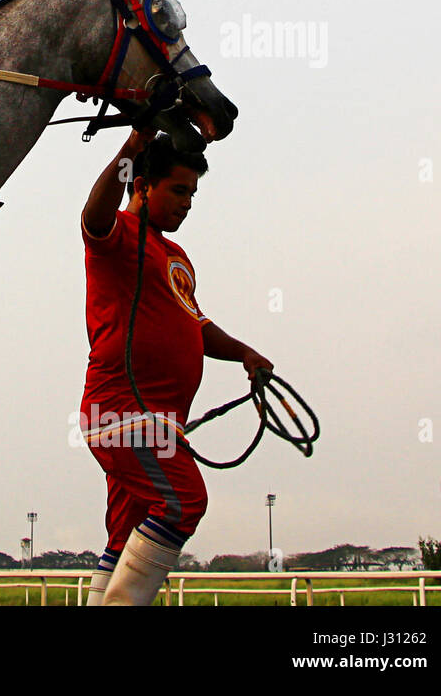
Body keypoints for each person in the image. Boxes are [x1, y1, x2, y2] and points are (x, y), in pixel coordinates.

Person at [79, 129, 273, 606]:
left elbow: (196, 323)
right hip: (124, 413)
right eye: (178, 190)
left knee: (124, 535)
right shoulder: (118, 234)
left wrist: (244, 352)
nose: (187, 203)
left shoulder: (176, 256)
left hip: (163, 420)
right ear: (142, 187)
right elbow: (92, 215)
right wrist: (129, 147)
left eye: (192, 194)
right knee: (184, 502)